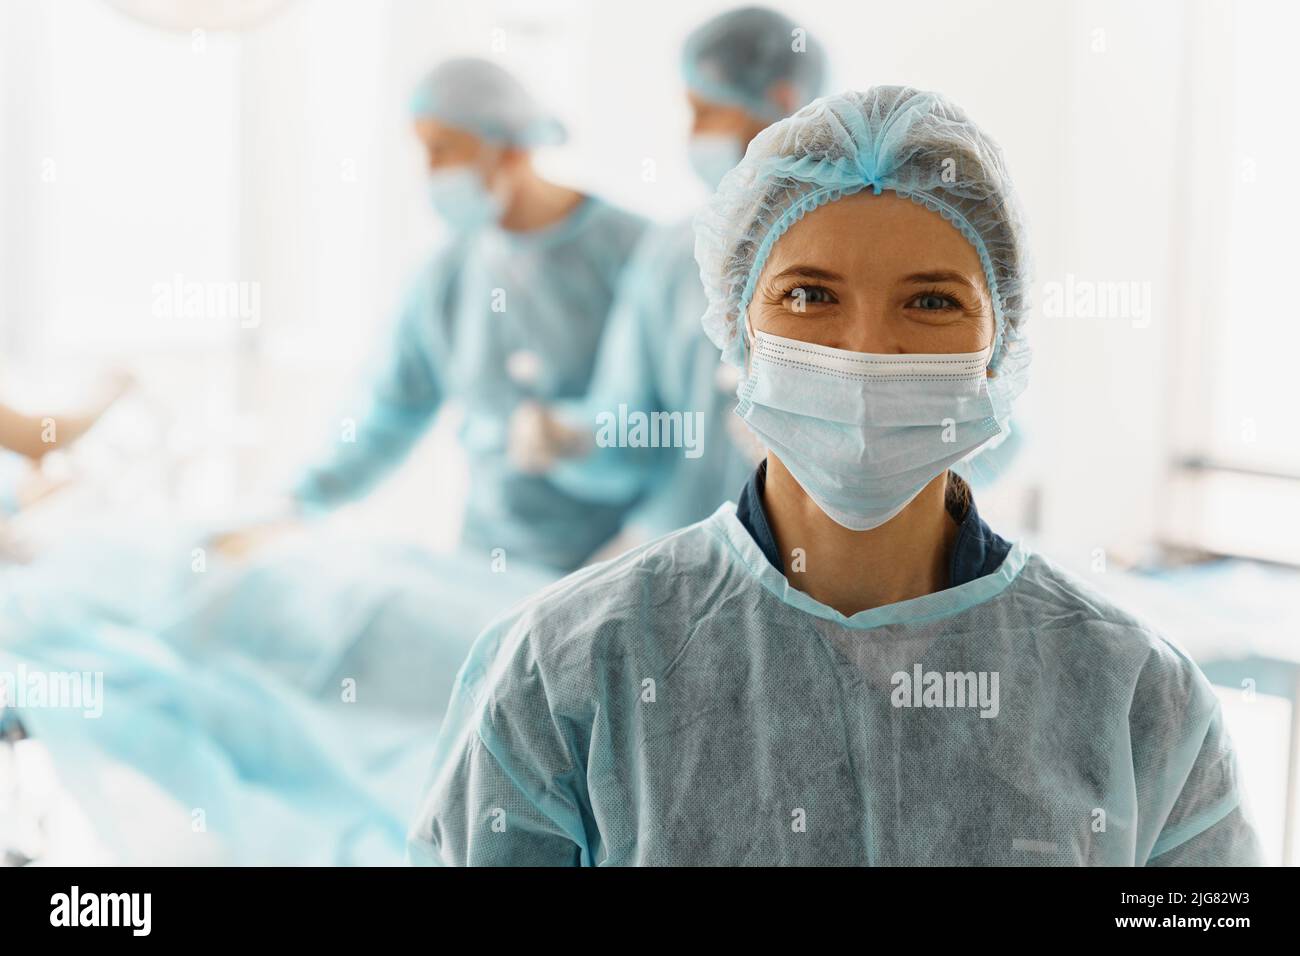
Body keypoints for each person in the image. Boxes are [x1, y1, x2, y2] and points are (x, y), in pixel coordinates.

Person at [408, 86, 1263, 866]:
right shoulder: (565, 672)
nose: (862, 353)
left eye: (931, 301)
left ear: (998, 345)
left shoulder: (1136, 700)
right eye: (809, 296)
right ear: (736, 328)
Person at [221, 58, 647, 572]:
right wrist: (296, 505)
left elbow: (679, 429)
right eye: (424, 151)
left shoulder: (636, 257)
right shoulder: (448, 275)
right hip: (489, 561)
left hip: (621, 563)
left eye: (443, 150)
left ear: (509, 146)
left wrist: (586, 451)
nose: (430, 172)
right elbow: (386, 415)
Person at [509, 7, 826, 551]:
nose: (693, 133)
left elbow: (961, 437)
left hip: (823, 576)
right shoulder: (676, 255)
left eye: (707, 112)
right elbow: (633, 425)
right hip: (682, 557)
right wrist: (572, 438)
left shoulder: (862, 248)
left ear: (780, 104)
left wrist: (831, 462)